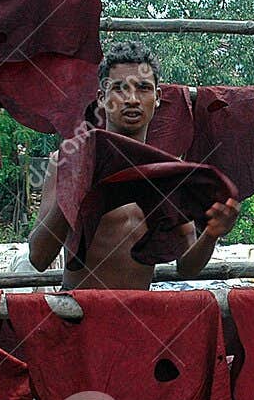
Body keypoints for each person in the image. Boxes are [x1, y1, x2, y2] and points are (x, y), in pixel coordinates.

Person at [27, 40, 239, 290]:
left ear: (157, 98)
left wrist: (212, 234)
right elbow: (39, 258)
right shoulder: (67, 162)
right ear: (102, 98)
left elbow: (186, 267)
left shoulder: (169, 172)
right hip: (78, 317)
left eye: (143, 88)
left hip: (138, 317)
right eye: (118, 88)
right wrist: (75, 188)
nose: (131, 99)